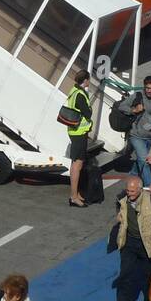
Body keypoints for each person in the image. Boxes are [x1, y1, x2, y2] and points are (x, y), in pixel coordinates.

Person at [119, 74, 151, 185]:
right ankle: (150, 189)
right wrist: (134, 110)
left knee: (142, 162)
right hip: (137, 135)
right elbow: (122, 106)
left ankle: (131, 182)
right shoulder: (137, 96)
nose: (149, 91)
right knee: (144, 160)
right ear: (144, 87)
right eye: (147, 88)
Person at [66, 71, 94, 208]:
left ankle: (76, 194)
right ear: (86, 80)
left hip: (75, 131)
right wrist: (89, 109)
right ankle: (73, 197)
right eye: (89, 79)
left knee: (75, 163)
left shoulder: (74, 90)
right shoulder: (81, 95)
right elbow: (87, 113)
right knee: (77, 164)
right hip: (78, 133)